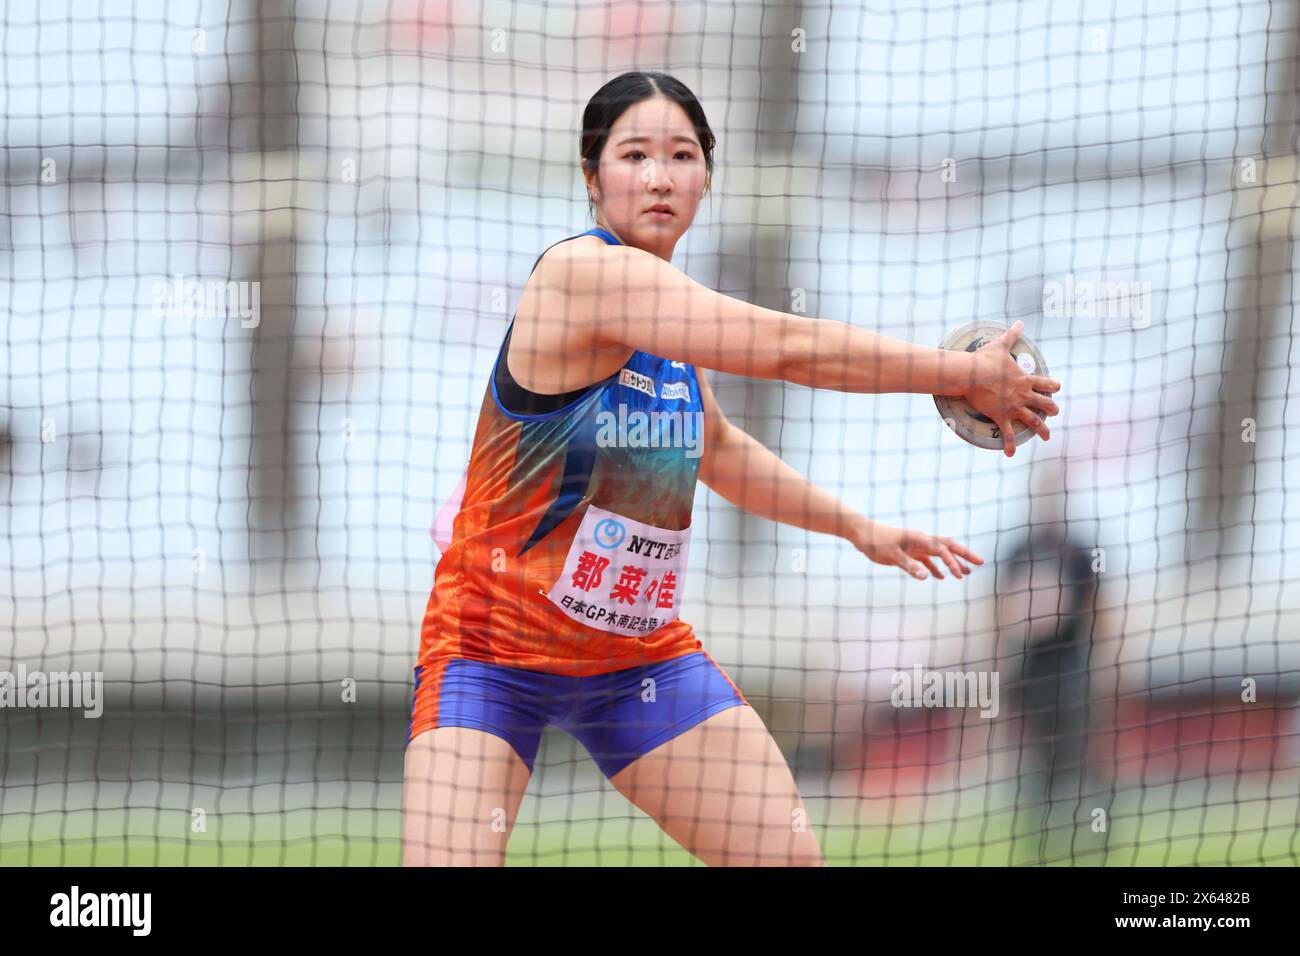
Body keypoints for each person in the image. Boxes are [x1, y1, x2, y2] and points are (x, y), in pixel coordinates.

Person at [403, 70, 1062, 866]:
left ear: (706, 177)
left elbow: (715, 449)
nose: (658, 176)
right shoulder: (584, 275)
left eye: (681, 155)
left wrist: (856, 527)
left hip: (636, 658)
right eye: (633, 154)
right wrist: (954, 373)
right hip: (493, 653)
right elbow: (788, 349)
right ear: (592, 175)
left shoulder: (671, 318)